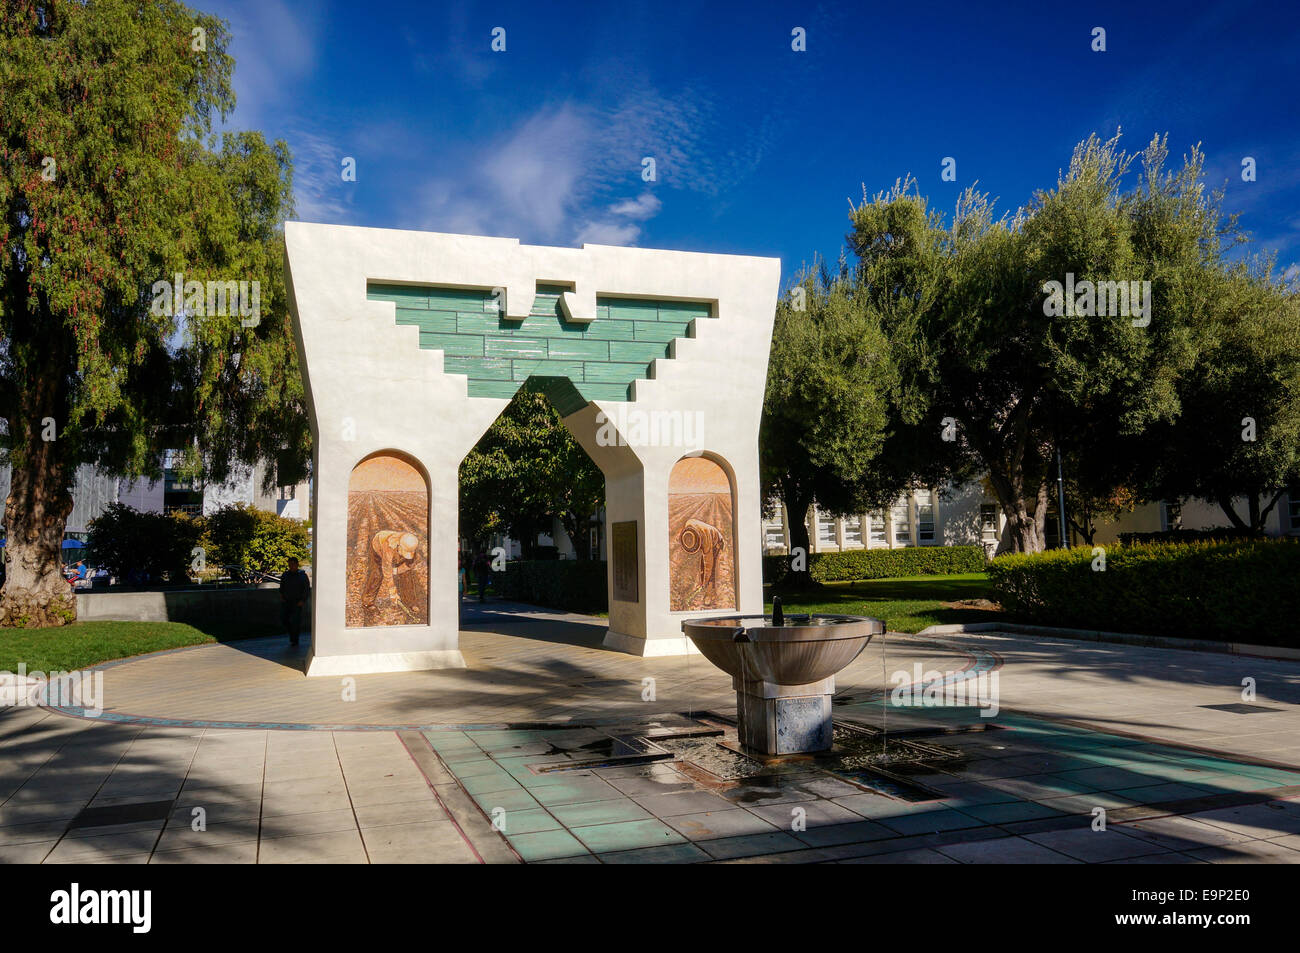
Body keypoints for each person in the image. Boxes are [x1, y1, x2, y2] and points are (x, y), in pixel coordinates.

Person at [279, 556, 311, 647]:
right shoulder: (285, 575)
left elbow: (306, 589)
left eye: (293, 564)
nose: (291, 566)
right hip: (286, 601)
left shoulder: (302, 575)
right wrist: (281, 595)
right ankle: (292, 635)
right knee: (284, 619)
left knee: (295, 621)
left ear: (297, 564)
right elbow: (282, 587)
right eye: (290, 564)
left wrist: (303, 600)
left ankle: (294, 639)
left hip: (297, 602)